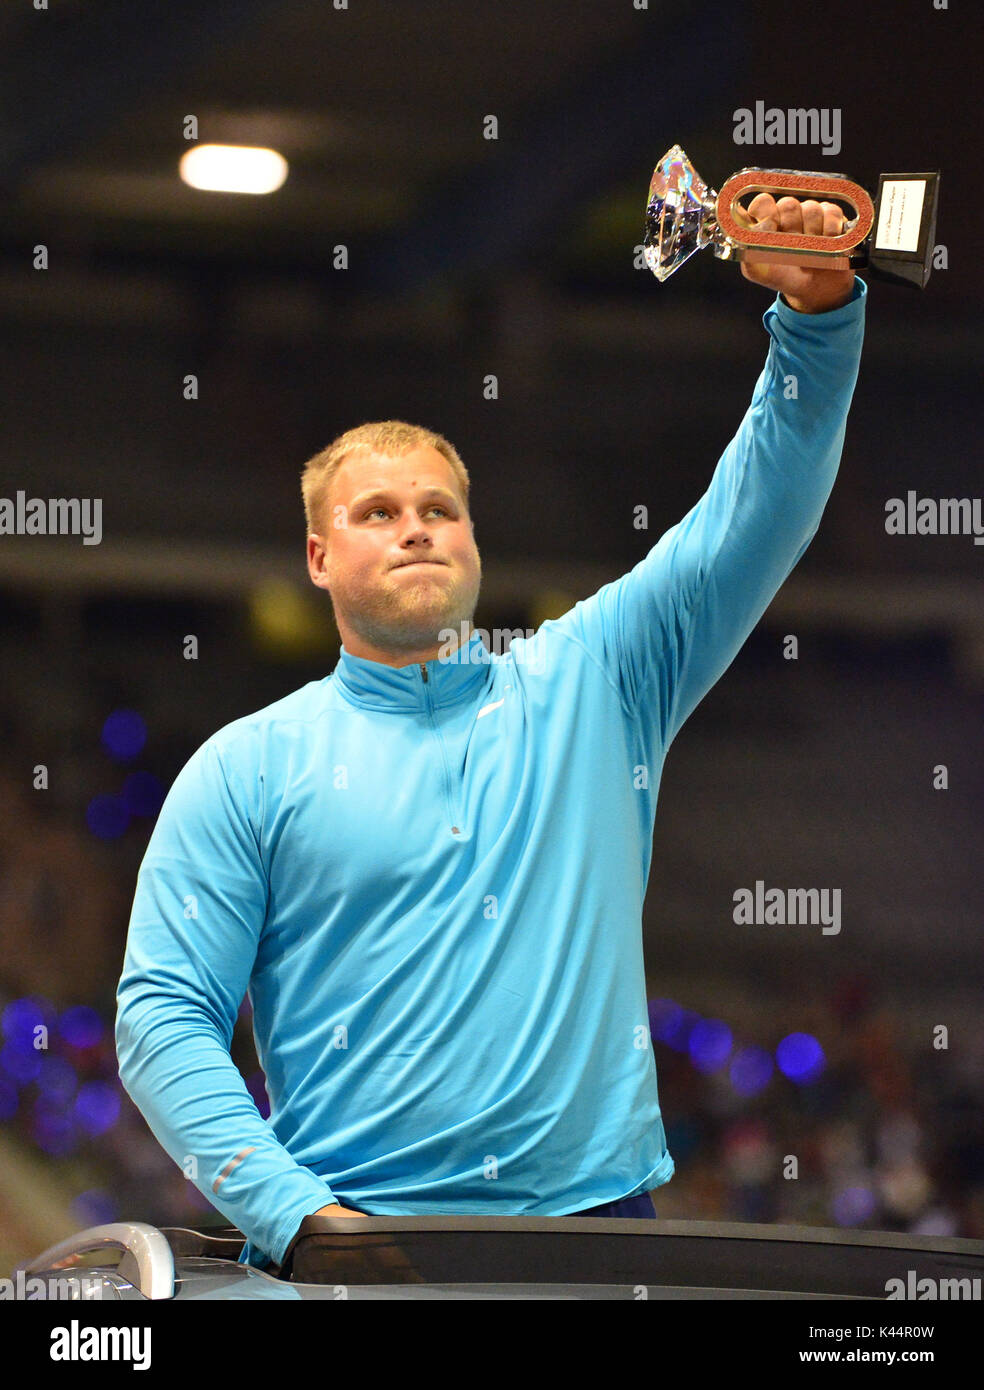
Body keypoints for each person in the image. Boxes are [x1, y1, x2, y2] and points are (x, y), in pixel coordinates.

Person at [116, 195, 866, 1273]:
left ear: (473, 539)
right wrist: (296, 1216)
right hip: (354, 1237)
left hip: (600, 1237)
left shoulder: (596, 676)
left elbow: (757, 504)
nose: (415, 522)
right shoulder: (246, 766)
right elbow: (161, 1015)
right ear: (319, 558)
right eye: (376, 511)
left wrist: (819, 316)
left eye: (440, 506)